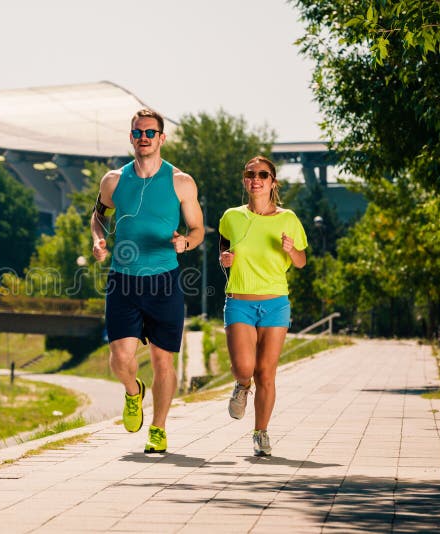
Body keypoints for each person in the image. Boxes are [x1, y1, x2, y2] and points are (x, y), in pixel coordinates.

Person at [91, 108, 205, 453]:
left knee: (162, 361)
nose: (144, 138)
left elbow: (198, 229)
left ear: (161, 138)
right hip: (123, 281)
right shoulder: (113, 181)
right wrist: (98, 239)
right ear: (131, 137)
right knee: (119, 359)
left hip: (164, 280)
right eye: (138, 132)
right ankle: (132, 392)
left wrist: (186, 242)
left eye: (151, 133)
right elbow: (98, 217)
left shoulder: (181, 182)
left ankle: (158, 428)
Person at [218, 155, 307, 456]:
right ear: (245, 180)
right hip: (240, 302)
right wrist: (224, 258)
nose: (256, 179)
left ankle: (261, 433)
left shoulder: (288, 219)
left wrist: (291, 249)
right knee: (245, 368)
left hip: (275, 304)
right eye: (250, 173)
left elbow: (301, 262)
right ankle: (242, 386)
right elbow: (223, 243)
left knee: (266, 373)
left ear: (273, 182)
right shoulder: (232, 216)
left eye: (263, 174)